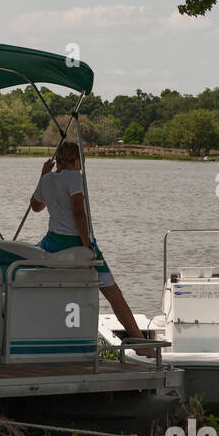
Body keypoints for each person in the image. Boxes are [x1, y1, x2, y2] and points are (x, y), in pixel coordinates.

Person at [30, 141, 147, 342]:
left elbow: (35, 206)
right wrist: (87, 245)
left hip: (52, 242)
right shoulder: (75, 177)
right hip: (75, 242)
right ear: (76, 161)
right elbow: (78, 211)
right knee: (113, 293)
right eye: (80, 162)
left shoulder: (47, 179)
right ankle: (139, 342)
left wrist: (43, 176)